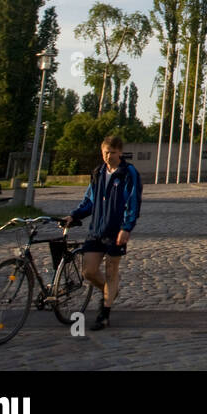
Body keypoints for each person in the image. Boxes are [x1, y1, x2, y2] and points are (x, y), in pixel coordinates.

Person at [63, 134, 141, 331]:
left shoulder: (128, 173)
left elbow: (133, 202)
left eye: (113, 153)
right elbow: (89, 200)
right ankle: (110, 292)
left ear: (120, 152)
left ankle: (104, 314)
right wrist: (75, 215)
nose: (109, 156)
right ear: (102, 152)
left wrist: (126, 228)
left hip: (116, 231)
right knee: (88, 271)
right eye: (106, 152)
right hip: (97, 230)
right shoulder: (98, 172)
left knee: (111, 270)